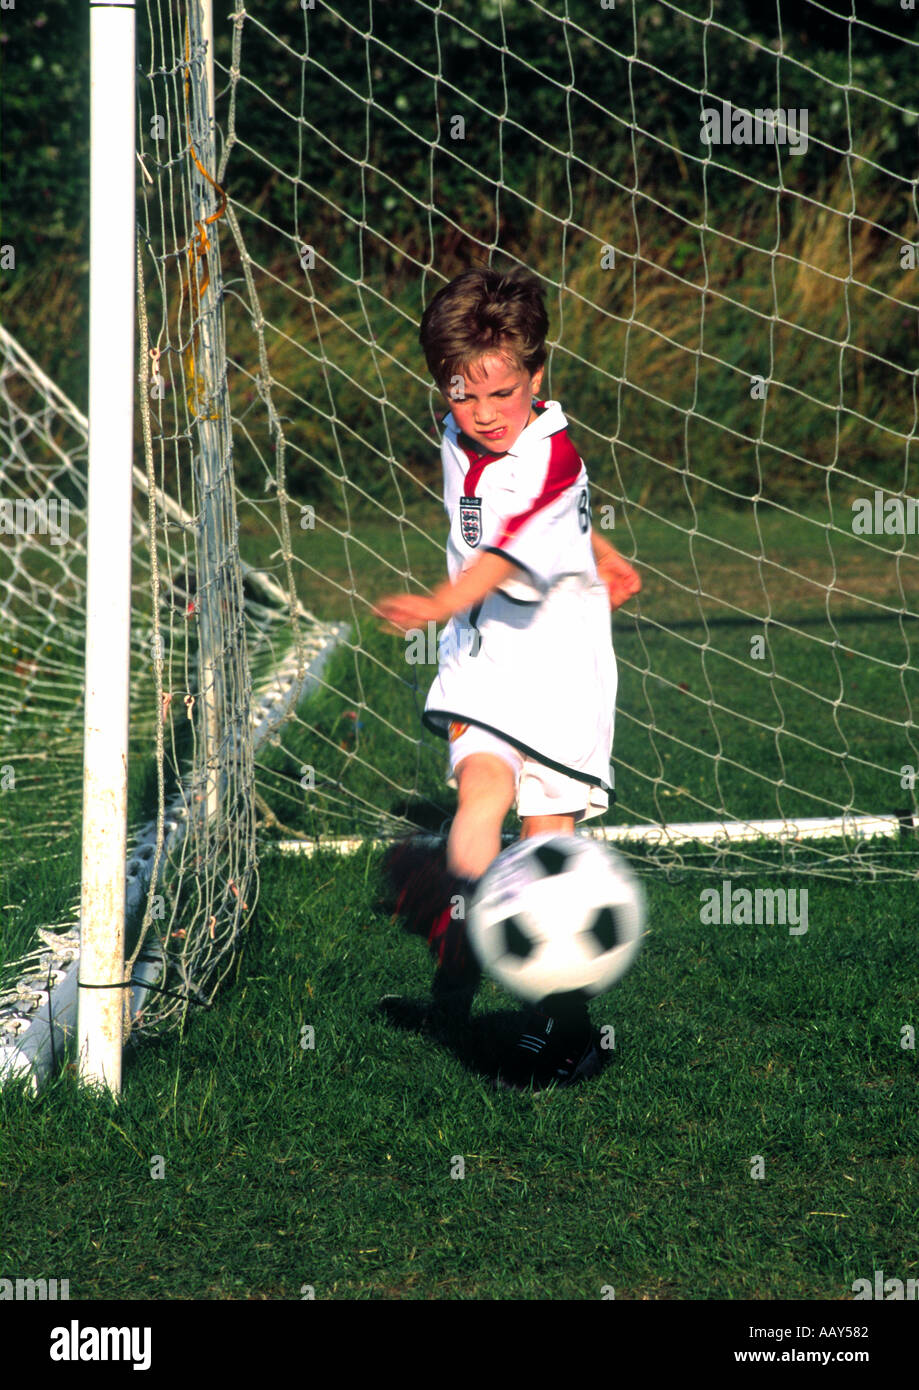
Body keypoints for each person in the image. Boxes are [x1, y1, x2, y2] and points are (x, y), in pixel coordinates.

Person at [374, 266, 640, 1089]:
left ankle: (561, 1024)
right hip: (486, 665)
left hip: (560, 680)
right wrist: (600, 552)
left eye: (502, 394)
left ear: (537, 379)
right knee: (478, 808)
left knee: (547, 853)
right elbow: (541, 524)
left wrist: (440, 600)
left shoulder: (549, 454)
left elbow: (506, 548)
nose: (483, 414)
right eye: (462, 395)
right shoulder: (458, 434)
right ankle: (453, 917)